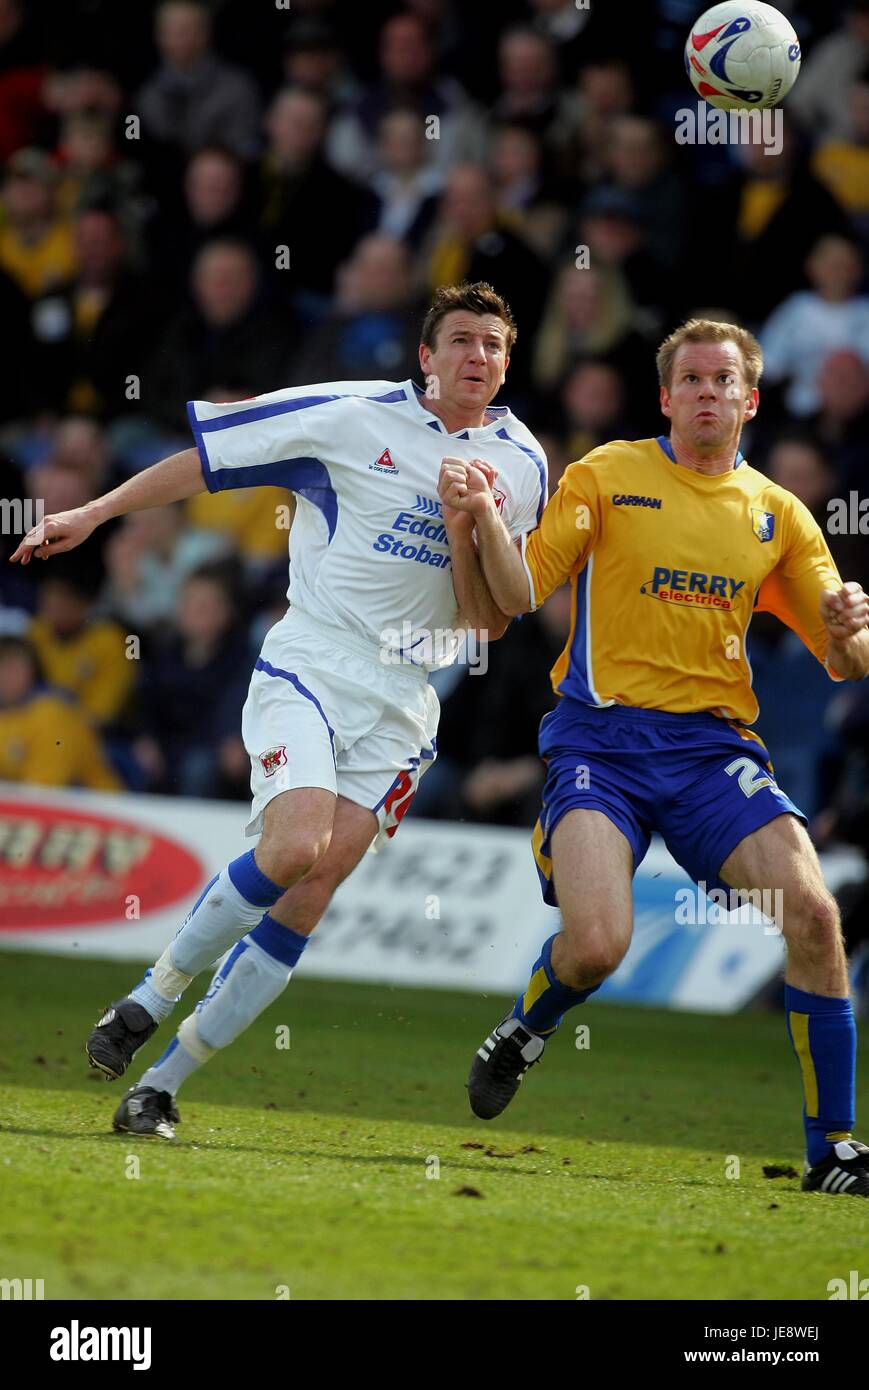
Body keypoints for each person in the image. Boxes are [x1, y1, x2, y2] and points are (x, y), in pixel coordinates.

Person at [10, 280, 547, 1141]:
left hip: (408, 700)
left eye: (491, 344)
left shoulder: (520, 463)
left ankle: (162, 1087)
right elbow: (210, 459)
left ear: (507, 361)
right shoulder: (348, 412)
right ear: (425, 355)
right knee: (293, 848)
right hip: (316, 659)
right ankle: (151, 993)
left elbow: (490, 614)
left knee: (312, 889)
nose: (474, 357)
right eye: (458, 341)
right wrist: (98, 511)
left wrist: (470, 520)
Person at [439, 318, 869, 1199]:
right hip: (600, 740)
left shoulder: (775, 515)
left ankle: (831, 1150)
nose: (707, 393)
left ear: (750, 400)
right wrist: (482, 517)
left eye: (724, 381)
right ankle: (526, 1029)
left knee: (817, 921)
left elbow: (844, 662)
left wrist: (853, 630)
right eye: (692, 380)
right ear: (665, 397)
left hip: (713, 752)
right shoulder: (607, 474)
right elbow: (518, 595)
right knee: (597, 947)